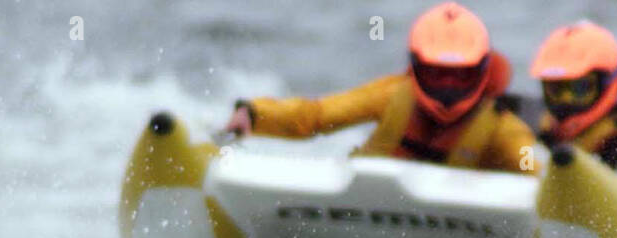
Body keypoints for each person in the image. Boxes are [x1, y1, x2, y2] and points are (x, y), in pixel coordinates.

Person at [223, 3, 538, 174]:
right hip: (369, 207)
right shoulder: (392, 95)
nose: (448, 87)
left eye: (459, 75)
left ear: (482, 71)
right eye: (437, 74)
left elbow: (529, 166)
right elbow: (316, 115)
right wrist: (255, 114)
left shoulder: (506, 129)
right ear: (416, 66)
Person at [530, 21, 617, 199]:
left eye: (580, 89)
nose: (566, 102)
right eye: (556, 90)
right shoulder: (538, 126)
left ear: (607, 85)